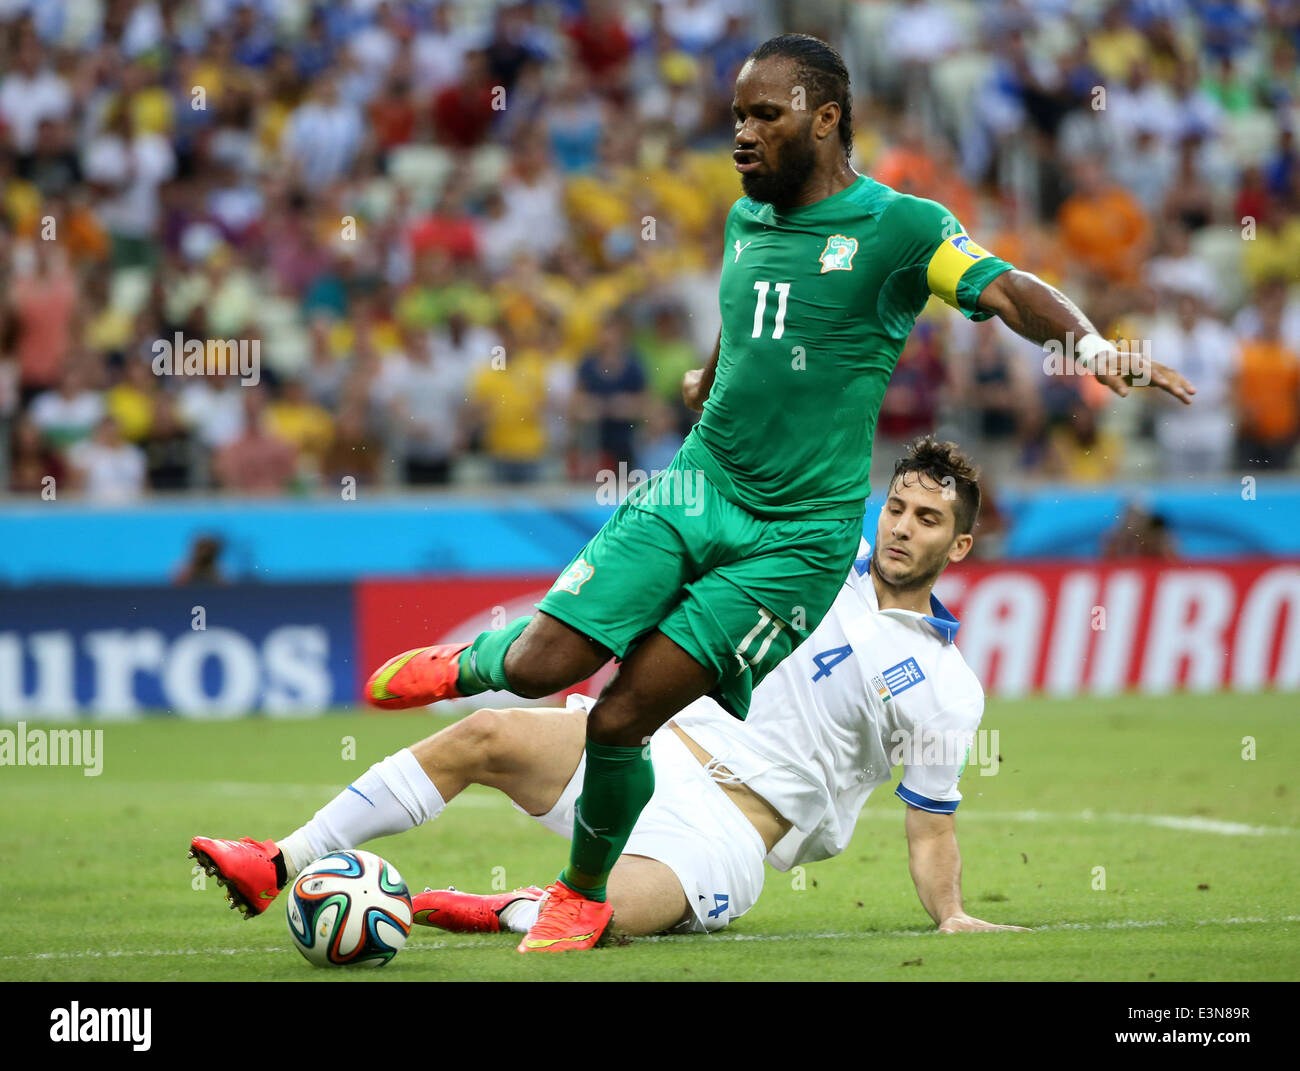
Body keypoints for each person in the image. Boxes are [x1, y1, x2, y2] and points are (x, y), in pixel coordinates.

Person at [200, 33, 1195, 955]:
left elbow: (1007, 287)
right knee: (544, 667)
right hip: (697, 482)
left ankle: (579, 891)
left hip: (794, 539)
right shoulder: (744, 218)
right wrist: (703, 383)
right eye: (735, 115)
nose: (741, 135)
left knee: (622, 712)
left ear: (827, 118)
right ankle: (370, 764)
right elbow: (748, 329)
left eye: (765, 115)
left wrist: (1093, 344)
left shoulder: (899, 229)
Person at [192, 438, 1029, 939]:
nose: (902, 527)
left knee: (600, 921)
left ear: (957, 548)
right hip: (650, 744)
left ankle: (506, 906)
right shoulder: (807, 562)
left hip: (731, 831)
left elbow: (929, 826)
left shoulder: (947, 689)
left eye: (927, 520)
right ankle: (282, 857)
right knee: (483, 735)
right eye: (897, 507)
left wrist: (949, 914)